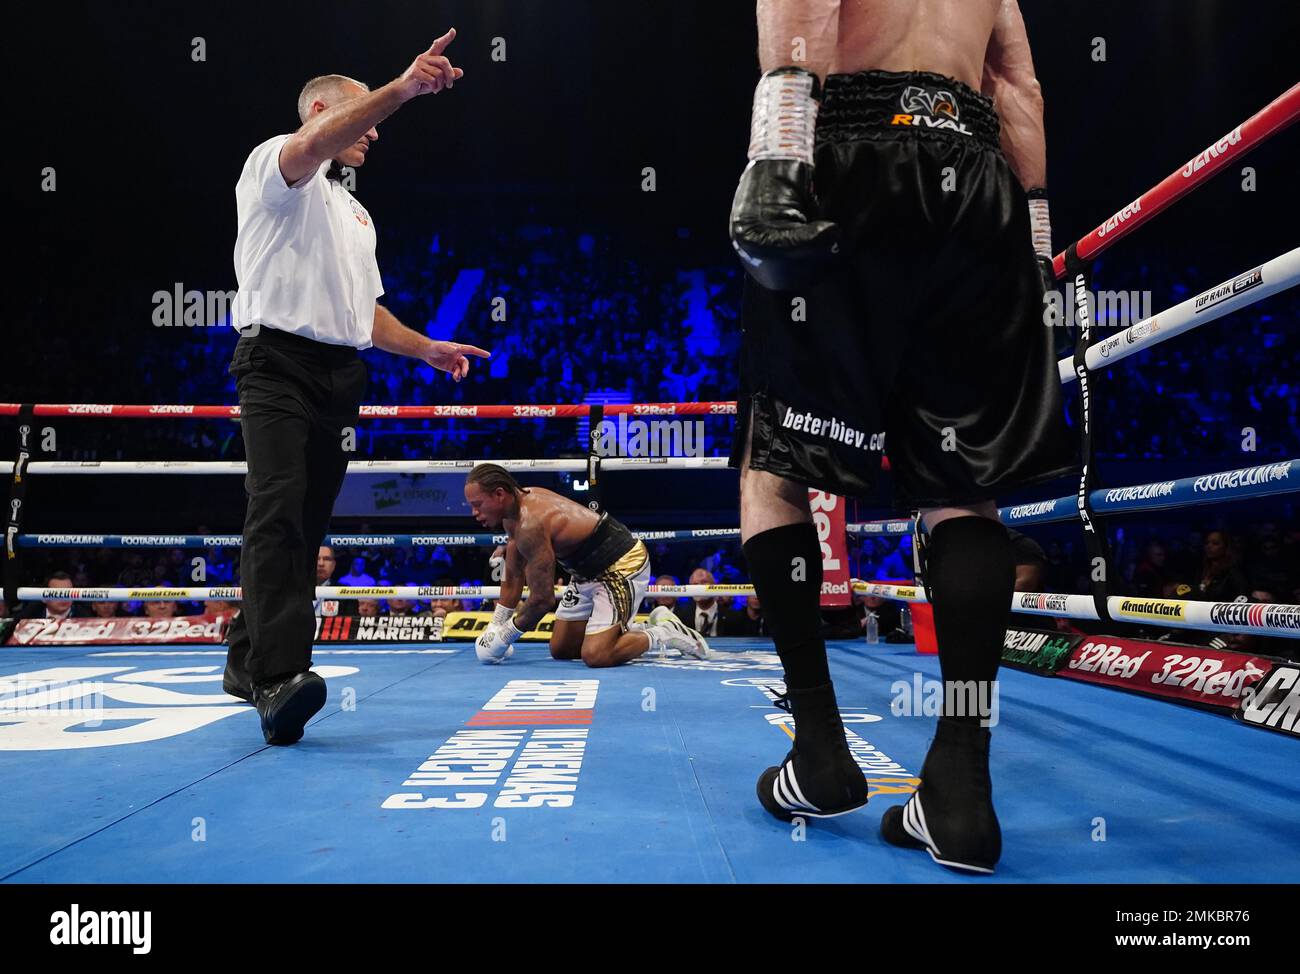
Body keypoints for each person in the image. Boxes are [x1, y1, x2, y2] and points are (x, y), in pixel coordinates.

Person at [727, 0, 1075, 873]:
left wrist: (778, 152)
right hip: (977, 178)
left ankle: (819, 751)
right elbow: (1019, 88)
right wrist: (1032, 243)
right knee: (963, 491)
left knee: (774, 464)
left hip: (851, 146)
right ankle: (960, 792)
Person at [221, 33, 490, 747]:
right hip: (276, 361)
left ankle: (246, 655)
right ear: (318, 110)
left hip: (341, 373)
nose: (372, 130)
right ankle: (279, 676)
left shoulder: (355, 213)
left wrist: (425, 345)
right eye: (358, 113)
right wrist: (401, 89)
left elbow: (363, 312)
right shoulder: (276, 165)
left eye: (376, 114)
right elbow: (313, 145)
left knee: (306, 525)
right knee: (276, 509)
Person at [463, 464, 710, 667]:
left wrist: (504, 637)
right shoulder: (515, 509)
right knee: (562, 649)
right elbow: (514, 570)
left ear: (499, 494)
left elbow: (542, 600)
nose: (474, 512)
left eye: (477, 504)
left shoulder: (531, 524)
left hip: (619, 565)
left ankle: (664, 632)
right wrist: (496, 623)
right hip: (584, 573)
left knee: (596, 655)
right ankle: (635, 628)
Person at [23, 571, 88, 621]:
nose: (64, 597)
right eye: (57, 593)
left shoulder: (84, 617)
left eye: (68, 592)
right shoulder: (30, 613)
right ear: (44, 598)